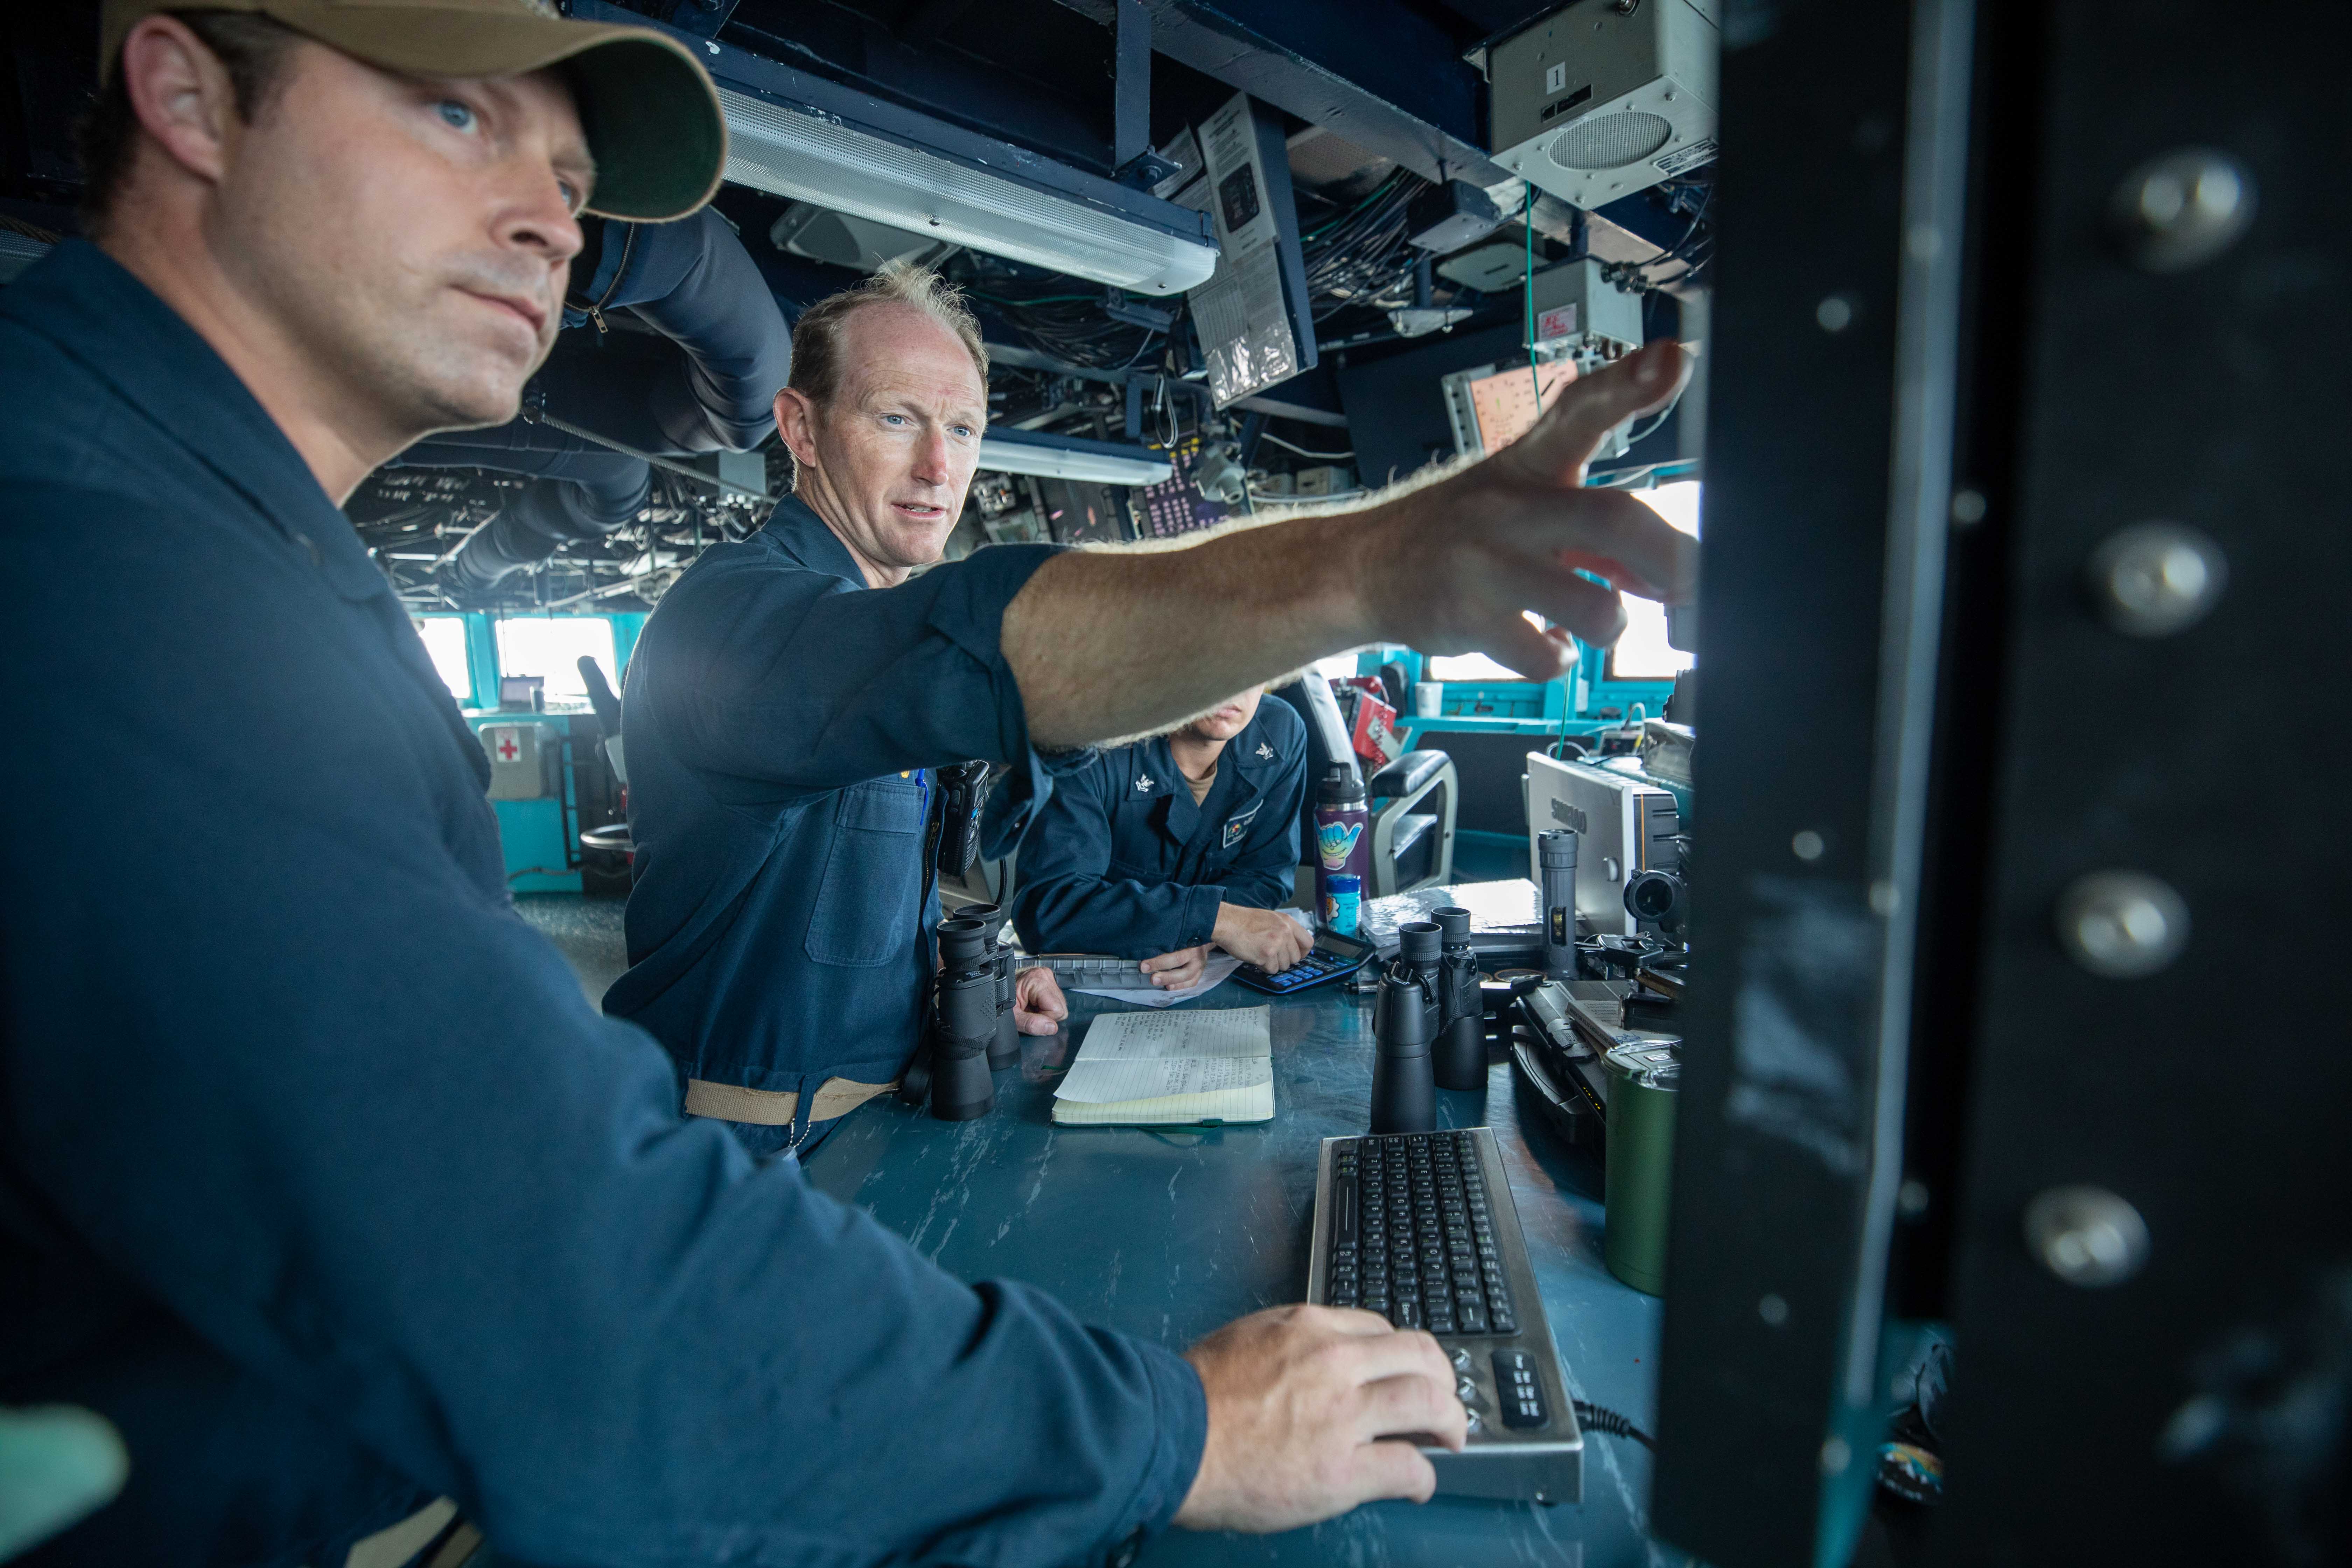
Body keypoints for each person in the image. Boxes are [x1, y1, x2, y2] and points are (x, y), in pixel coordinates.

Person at [0, 2, 1695, 1564]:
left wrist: (958, 971)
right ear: (187, 94)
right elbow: (564, 1284)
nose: (550, 221)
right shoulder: (108, 567)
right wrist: (1177, 1424)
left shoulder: (212, 532)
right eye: (457, 117)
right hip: (665, 1231)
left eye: (573, 177)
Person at [605, 265, 1070, 1157]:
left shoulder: (875, 621)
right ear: (802, 430)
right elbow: (933, 660)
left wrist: (960, 969)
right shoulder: (734, 619)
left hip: (870, 1121)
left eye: (963, 430)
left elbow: (850, 893)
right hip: (744, 1153)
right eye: (897, 419)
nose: (940, 468)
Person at [1008, 685, 1316, 989]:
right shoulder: (1086, 742)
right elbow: (1049, 908)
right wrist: (1211, 920)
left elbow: (1265, 874)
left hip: (1206, 981)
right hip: (1092, 984)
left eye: (1256, 666)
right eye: (1213, 660)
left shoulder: (1279, 733)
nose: (1233, 685)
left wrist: (1204, 937)